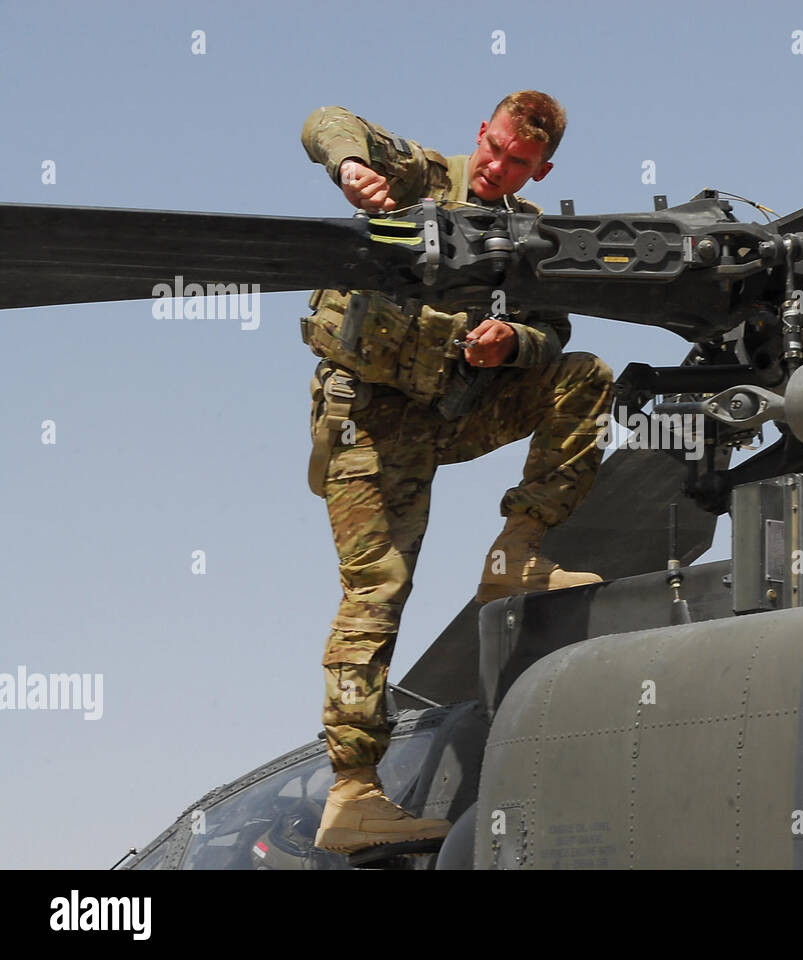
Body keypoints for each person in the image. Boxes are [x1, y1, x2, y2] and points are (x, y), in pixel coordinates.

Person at [299, 92, 613, 854]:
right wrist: (350, 167)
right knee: (377, 589)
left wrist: (514, 346)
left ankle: (517, 553)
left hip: (448, 412)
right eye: (498, 151)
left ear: (545, 167)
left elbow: (554, 331)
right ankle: (352, 792)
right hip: (367, 423)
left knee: (586, 375)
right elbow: (326, 121)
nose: (503, 169)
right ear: (483, 135)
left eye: (521, 163)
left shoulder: (527, 234)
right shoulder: (420, 177)